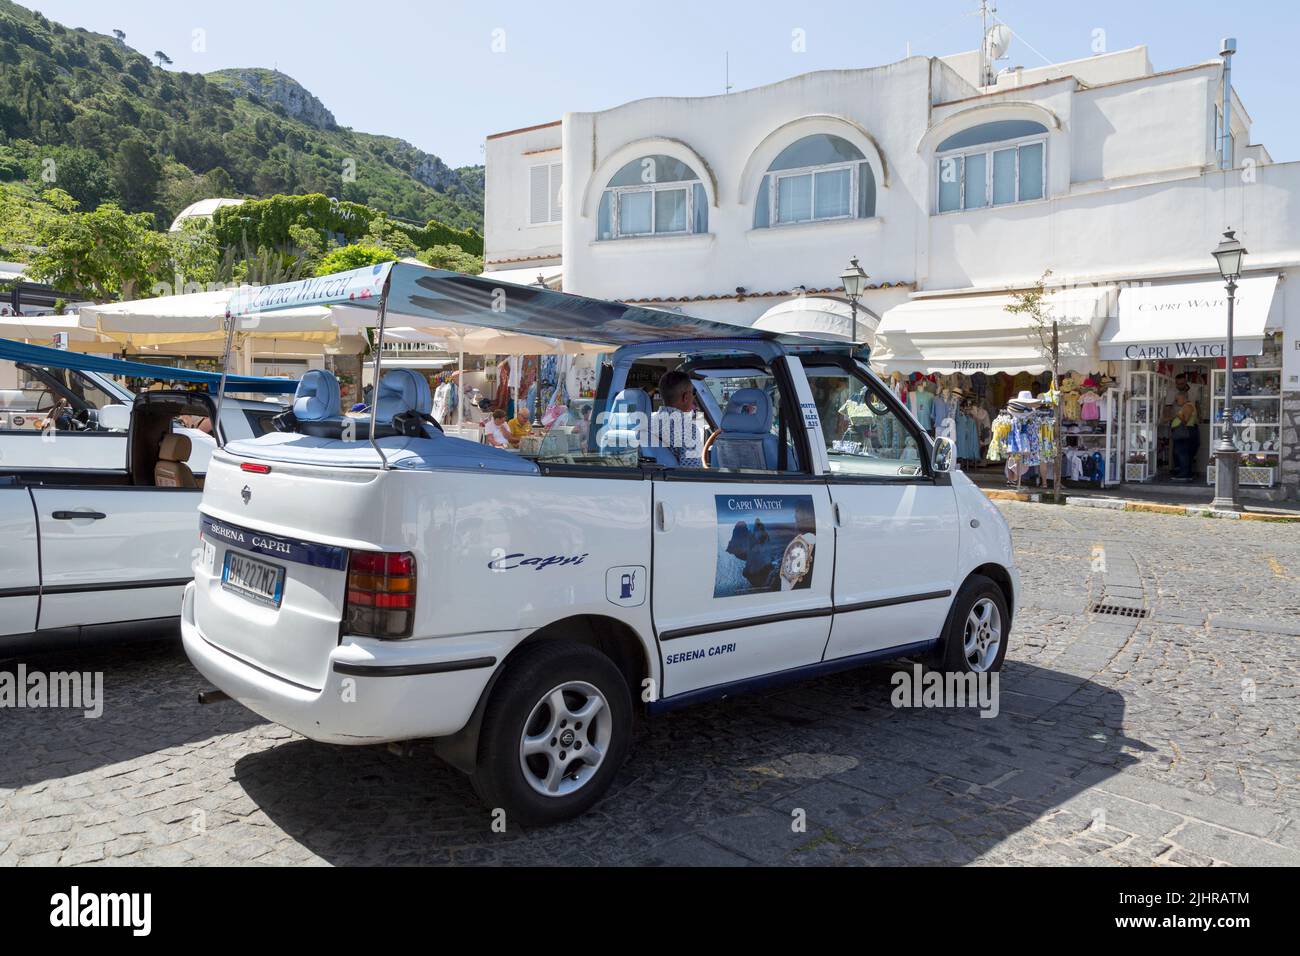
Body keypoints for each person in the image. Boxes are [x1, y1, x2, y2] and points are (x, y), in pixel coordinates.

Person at [652, 370, 703, 467]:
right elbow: (692, 473)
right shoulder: (688, 430)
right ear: (686, 397)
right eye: (693, 393)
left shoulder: (648, 422)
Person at [1169, 383, 1199, 481]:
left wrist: (1177, 416)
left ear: (1184, 398)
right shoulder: (1186, 406)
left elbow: (1185, 420)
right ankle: (1186, 472)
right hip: (1186, 431)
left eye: (1177, 399)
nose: (1176, 401)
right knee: (1184, 453)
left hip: (1185, 432)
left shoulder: (1188, 406)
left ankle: (1184, 473)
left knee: (1182, 453)